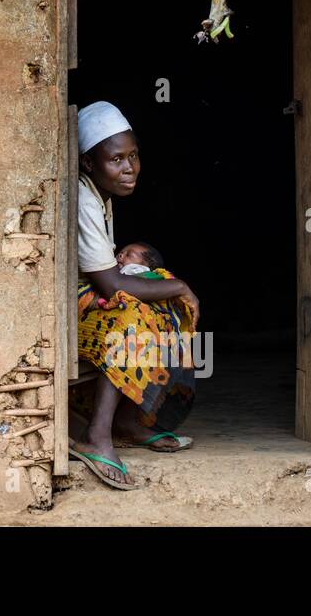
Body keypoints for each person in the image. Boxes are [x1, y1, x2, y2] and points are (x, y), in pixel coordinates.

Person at [70, 101, 201, 490]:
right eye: (116, 160)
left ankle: (128, 420)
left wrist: (171, 292)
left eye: (133, 156)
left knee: (165, 310)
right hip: (66, 309)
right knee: (132, 318)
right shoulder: (82, 200)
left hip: (89, 297)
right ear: (90, 164)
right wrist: (179, 286)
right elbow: (110, 286)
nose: (129, 168)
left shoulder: (100, 195)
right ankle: (97, 436)